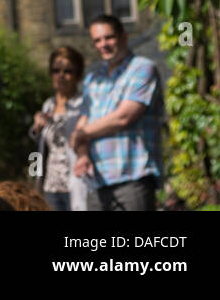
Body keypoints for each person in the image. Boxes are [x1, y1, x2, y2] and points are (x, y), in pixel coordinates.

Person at [73, 15, 164, 211]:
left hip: (133, 178)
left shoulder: (142, 68)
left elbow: (123, 117)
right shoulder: (93, 79)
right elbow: (82, 124)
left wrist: (82, 134)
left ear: (124, 37)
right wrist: (82, 155)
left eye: (109, 38)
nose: (103, 44)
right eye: (97, 40)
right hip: (97, 182)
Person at [29, 45, 87, 210]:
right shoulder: (48, 105)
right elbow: (38, 150)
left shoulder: (84, 104)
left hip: (77, 182)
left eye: (68, 71)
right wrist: (37, 128)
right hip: (51, 185)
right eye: (56, 70)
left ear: (78, 75)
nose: (61, 76)